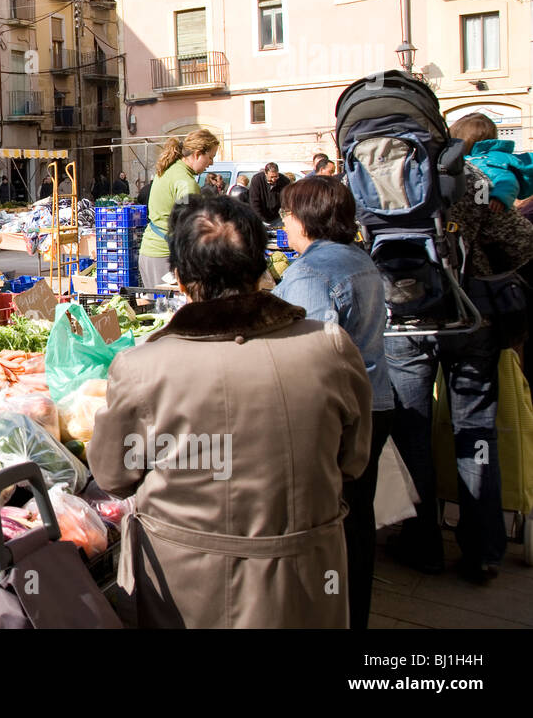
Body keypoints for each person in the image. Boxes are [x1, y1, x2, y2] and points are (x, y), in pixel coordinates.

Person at [90, 195, 372, 628]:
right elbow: (352, 460)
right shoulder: (329, 346)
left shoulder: (142, 367)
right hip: (306, 578)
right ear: (262, 269)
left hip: (184, 587)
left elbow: (113, 476)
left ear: (180, 278)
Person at [384, 123, 533, 584]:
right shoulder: (472, 179)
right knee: (476, 430)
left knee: (413, 433)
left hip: (406, 322)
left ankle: (422, 543)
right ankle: (483, 549)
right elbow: (521, 243)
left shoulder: (380, 175)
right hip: (471, 319)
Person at [272, 177, 391, 629]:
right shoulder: (357, 258)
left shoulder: (310, 273)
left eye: (287, 213)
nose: (283, 222)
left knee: (332, 523)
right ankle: (352, 611)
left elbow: (311, 357)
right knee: (357, 518)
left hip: (338, 415)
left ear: (305, 219)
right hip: (376, 400)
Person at [137, 129, 219, 287]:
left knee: (157, 308)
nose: (211, 163)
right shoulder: (186, 183)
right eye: (210, 157)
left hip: (150, 251)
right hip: (165, 257)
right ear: (197, 154)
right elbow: (189, 228)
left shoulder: (169, 170)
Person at [450, 113, 533, 210]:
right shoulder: (473, 159)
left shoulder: (486, 160)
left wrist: (499, 198)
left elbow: (507, 179)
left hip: (490, 210)